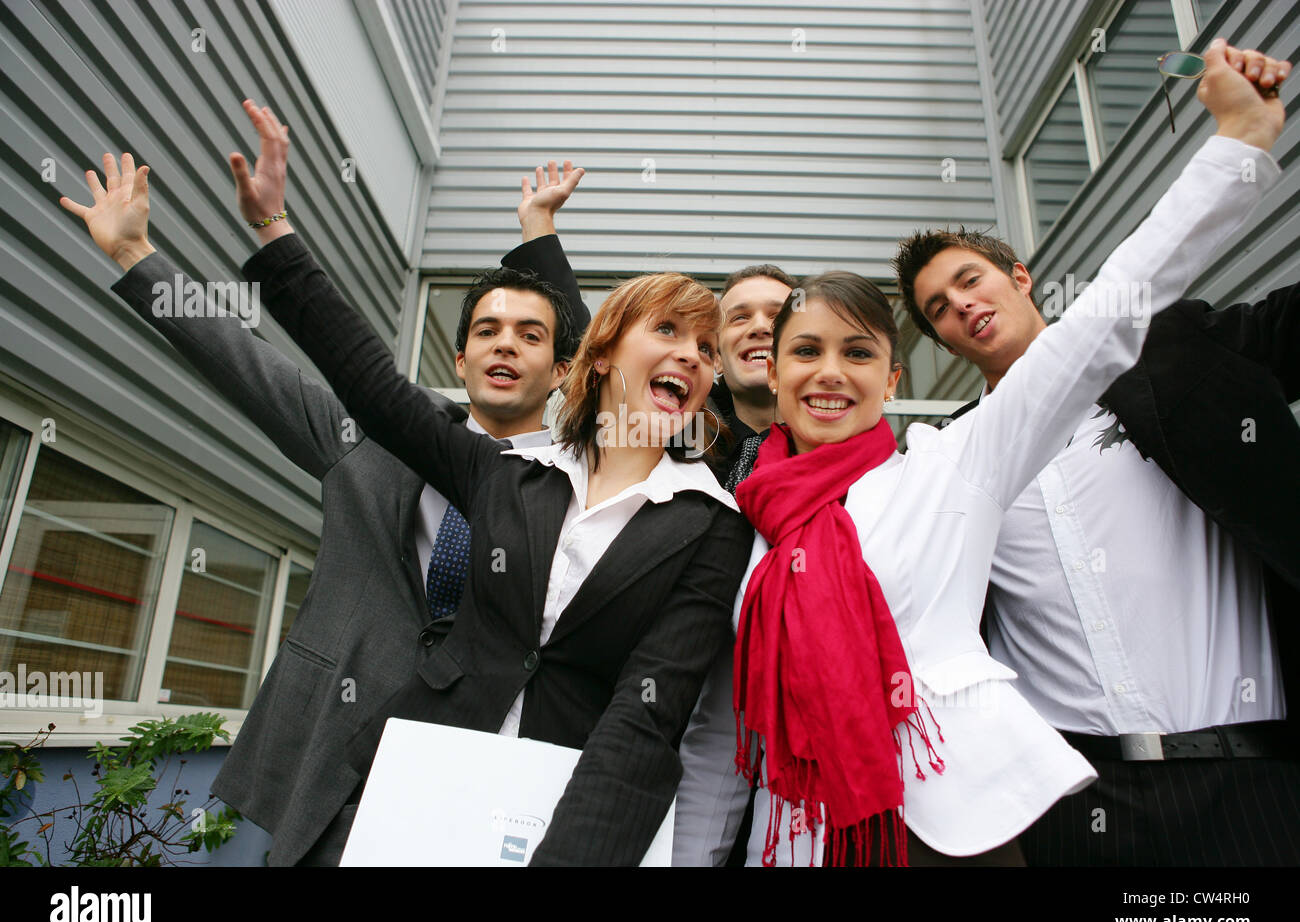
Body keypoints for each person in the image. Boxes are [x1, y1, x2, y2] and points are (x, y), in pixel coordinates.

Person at [672, 37, 1285, 866]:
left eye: (857, 354)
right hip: (802, 845)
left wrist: (1236, 146)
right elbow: (721, 735)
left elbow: (1106, 318)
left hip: (967, 831)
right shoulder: (737, 525)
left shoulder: (950, 463)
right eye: (805, 351)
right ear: (769, 374)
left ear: (891, 380)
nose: (828, 373)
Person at [57, 101, 590, 866]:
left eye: (530, 335)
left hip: (481, 774)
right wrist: (137, 255)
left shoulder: (581, 486)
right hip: (332, 752)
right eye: (485, 331)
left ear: (562, 370)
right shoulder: (375, 441)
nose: (505, 345)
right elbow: (250, 367)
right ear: (463, 358)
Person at [225, 104, 753, 865]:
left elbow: (649, 716)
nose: (694, 355)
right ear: (600, 358)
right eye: (667, 332)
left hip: (559, 813)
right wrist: (274, 225)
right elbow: (371, 382)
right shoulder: (507, 473)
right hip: (407, 786)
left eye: (706, 347)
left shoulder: (713, 525)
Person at [891, 63, 1299, 863]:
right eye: (938, 309)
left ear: (1018, 276)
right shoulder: (952, 458)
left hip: (1255, 785)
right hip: (1079, 807)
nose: (960, 306)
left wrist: (1245, 133)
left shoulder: (1176, 350)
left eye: (968, 280)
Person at [710, 265, 795, 485]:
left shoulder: (856, 464)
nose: (760, 327)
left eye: (778, 317)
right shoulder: (674, 451)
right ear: (716, 358)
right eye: (739, 317)